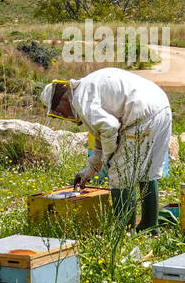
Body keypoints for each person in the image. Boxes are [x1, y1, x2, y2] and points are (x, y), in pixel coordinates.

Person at [40, 68, 172, 232]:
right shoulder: (87, 89)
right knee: (148, 172)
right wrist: (89, 170)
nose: (64, 116)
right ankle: (150, 227)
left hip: (139, 115)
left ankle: (123, 233)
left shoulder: (81, 101)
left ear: (62, 102)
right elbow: (101, 135)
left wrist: (109, 158)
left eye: (59, 112)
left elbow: (109, 128)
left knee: (120, 176)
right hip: (161, 106)